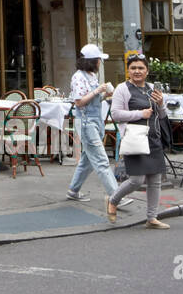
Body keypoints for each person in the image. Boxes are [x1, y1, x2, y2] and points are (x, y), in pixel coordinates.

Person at [106, 53, 173, 229]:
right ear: (128, 70)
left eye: (141, 68)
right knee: (136, 180)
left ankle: (152, 218)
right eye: (133, 68)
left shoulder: (152, 88)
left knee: (155, 180)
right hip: (134, 139)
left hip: (153, 137)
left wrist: (160, 104)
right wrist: (139, 114)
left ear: (147, 71)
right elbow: (116, 114)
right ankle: (113, 200)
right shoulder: (123, 88)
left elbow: (162, 115)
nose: (137, 71)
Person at [65, 44, 120, 204]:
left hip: (95, 120)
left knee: (87, 160)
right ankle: (116, 195)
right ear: (92, 61)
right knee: (101, 160)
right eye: (98, 60)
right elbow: (79, 101)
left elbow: (92, 100)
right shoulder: (78, 77)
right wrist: (98, 91)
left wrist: (105, 94)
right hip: (86, 122)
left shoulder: (91, 76)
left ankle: (73, 190)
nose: (99, 63)